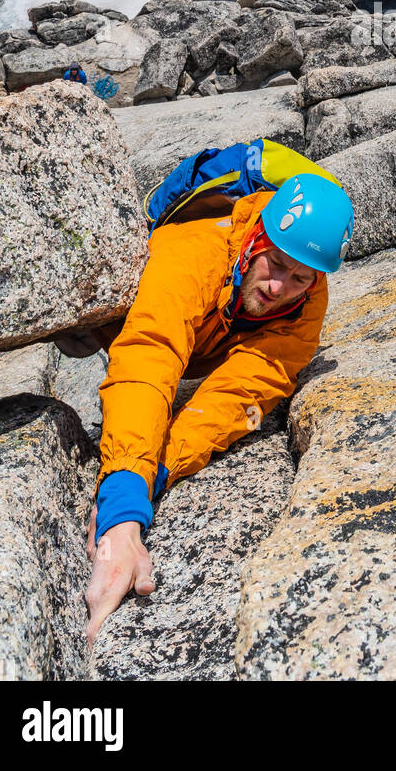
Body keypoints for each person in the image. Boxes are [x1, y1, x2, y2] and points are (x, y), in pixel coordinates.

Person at [83, 172, 354, 646]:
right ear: (256, 239)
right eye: (275, 263)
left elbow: (238, 399)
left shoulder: (307, 301)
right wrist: (123, 499)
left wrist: (154, 474)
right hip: (133, 308)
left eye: (300, 278)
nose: (279, 287)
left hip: (210, 335)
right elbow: (152, 352)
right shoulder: (194, 250)